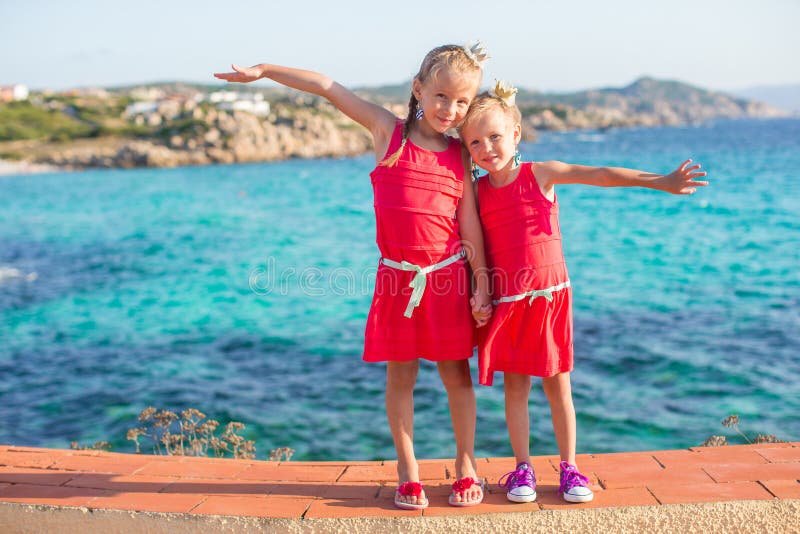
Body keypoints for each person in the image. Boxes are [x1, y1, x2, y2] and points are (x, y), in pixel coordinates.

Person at [214, 43, 493, 509]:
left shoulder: (460, 155)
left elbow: (470, 228)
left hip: (448, 281)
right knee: (400, 377)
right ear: (419, 89)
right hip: (397, 281)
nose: (450, 109)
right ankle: (408, 470)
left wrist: (482, 284)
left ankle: (466, 466)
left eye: (462, 101)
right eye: (442, 96)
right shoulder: (388, 132)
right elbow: (328, 87)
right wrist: (264, 70)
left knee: (456, 376)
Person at [458, 81, 708, 504]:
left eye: (495, 137)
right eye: (475, 143)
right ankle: (523, 468)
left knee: (559, 387)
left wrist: (662, 181)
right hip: (510, 304)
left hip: (550, 298)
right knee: (515, 389)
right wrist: (478, 295)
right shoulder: (477, 192)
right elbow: (473, 247)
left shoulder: (542, 174)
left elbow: (602, 175)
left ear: (515, 134)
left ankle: (570, 466)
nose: (486, 148)